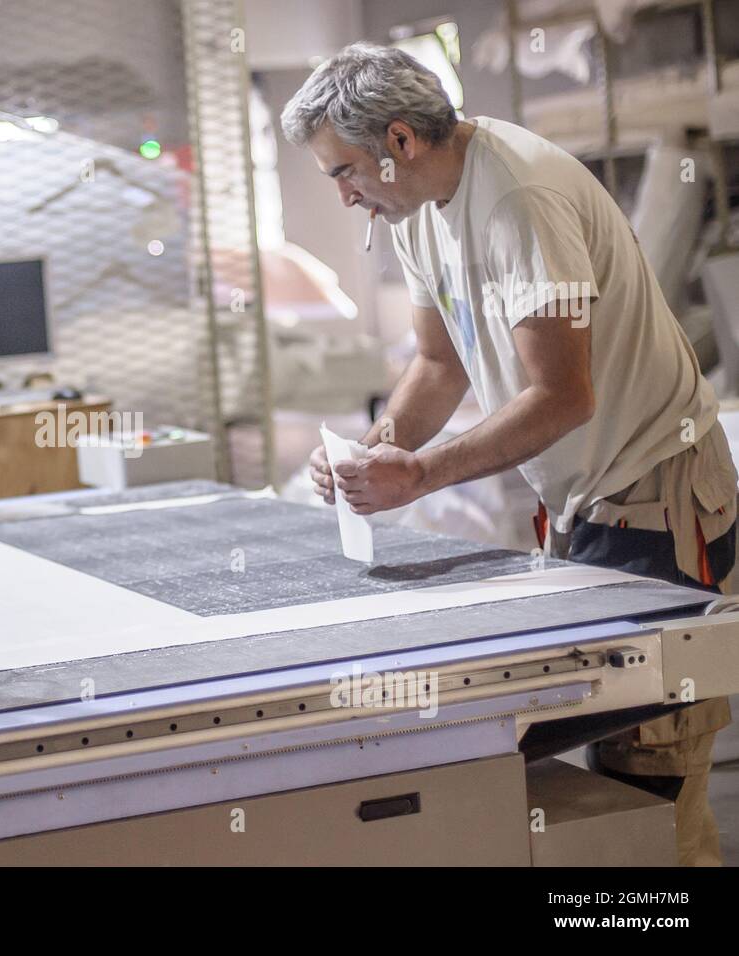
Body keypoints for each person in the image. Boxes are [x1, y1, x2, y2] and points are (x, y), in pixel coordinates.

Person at [280, 41, 735, 866]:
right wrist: (374, 451)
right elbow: (438, 363)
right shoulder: (416, 211)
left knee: (652, 767)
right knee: (607, 767)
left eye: (344, 172)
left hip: (658, 494)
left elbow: (565, 396)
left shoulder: (516, 197)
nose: (344, 195)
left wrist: (420, 475)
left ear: (399, 142)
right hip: (581, 499)